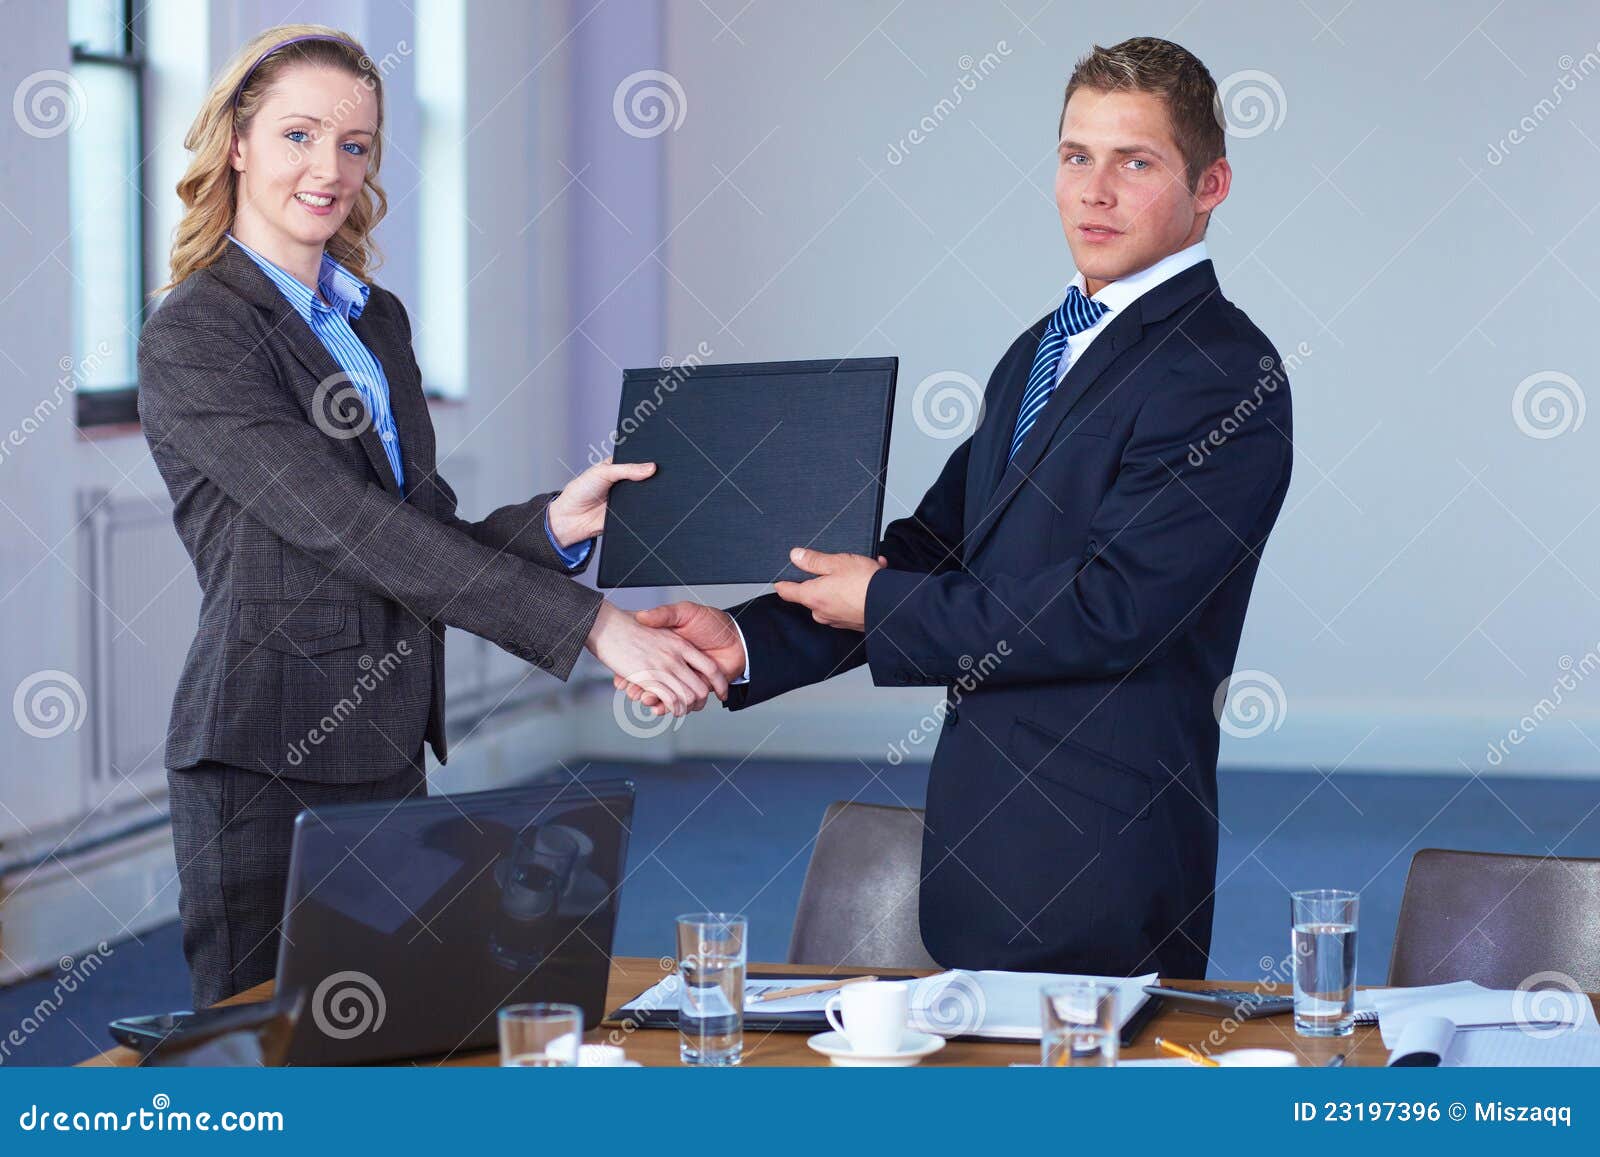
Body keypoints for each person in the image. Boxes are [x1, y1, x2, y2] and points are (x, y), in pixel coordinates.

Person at [620, 37, 1293, 979]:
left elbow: (1116, 611)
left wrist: (880, 604)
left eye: (1135, 162)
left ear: (1210, 184)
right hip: (990, 849)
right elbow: (932, 550)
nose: (1094, 191)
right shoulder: (1045, 346)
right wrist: (743, 641)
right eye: (1075, 156)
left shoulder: (1221, 374)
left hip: (1103, 857)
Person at [137, 25, 727, 1006]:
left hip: (383, 739)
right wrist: (595, 624)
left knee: (386, 1031)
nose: (328, 167)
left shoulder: (377, 320)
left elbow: (415, 530)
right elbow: (342, 523)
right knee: (272, 1051)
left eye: (355, 143)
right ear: (236, 143)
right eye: (298, 135)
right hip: (261, 751)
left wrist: (550, 526)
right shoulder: (196, 332)